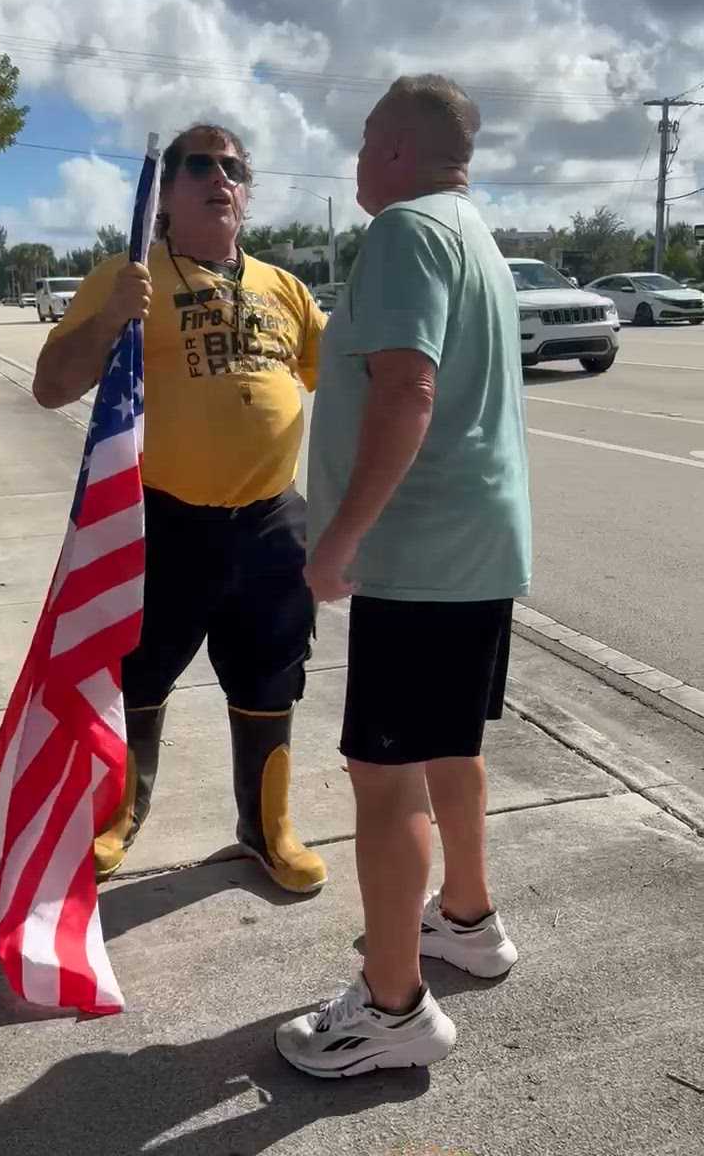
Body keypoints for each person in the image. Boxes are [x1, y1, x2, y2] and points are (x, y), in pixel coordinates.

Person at [275, 75, 531, 1076]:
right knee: (448, 746)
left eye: (362, 135)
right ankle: (466, 917)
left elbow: (408, 386)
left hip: (419, 557)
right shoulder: (480, 239)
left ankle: (392, 1008)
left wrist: (337, 538)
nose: (355, 153)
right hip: (474, 548)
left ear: (391, 146)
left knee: (385, 783)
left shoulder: (404, 233)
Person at [33, 123, 328, 896]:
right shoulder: (128, 274)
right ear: (166, 192)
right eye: (201, 163)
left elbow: (343, 380)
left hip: (271, 526)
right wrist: (107, 321)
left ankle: (266, 830)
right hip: (162, 521)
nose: (220, 176)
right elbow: (52, 385)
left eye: (235, 166)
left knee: (272, 678)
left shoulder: (284, 287)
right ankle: (118, 816)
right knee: (140, 674)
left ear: (247, 192)